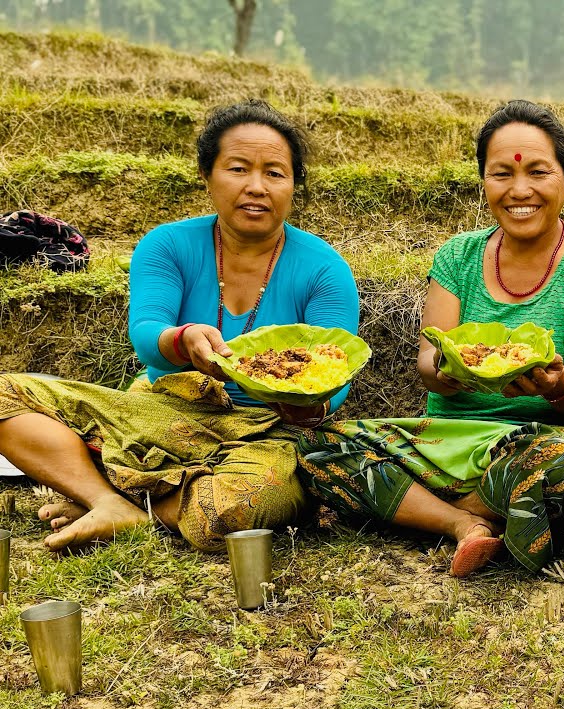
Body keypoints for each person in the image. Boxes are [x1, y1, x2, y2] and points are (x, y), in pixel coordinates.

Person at [297, 100, 564, 577]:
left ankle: (424, 504)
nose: (520, 190)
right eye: (502, 174)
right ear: (484, 181)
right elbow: (428, 365)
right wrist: (450, 370)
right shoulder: (458, 257)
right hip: (448, 443)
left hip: (545, 444)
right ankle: (465, 521)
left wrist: (556, 384)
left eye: (538, 172)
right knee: (317, 447)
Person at [0, 99, 359, 552]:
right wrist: (182, 339)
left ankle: (121, 496)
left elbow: (338, 369)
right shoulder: (168, 245)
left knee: (229, 515)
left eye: (274, 173)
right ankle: (107, 501)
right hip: (164, 409)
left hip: (269, 432)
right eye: (238, 169)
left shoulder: (325, 269)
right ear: (207, 175)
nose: (256, 186)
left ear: (293, 185)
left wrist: (305, 406)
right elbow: (147, 332)